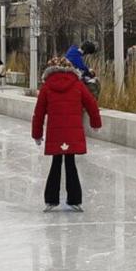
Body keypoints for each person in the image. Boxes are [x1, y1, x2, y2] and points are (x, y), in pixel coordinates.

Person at [31, 56, 102, 211]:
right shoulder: (78, 84)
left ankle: (51, 199)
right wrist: (95, 123)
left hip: (55, 134)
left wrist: (37, 134)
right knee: (71, 164)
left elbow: (39, 113)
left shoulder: (47, 87)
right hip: (72, 133)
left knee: (56, 164)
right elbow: (91, 104)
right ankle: (75, 199)